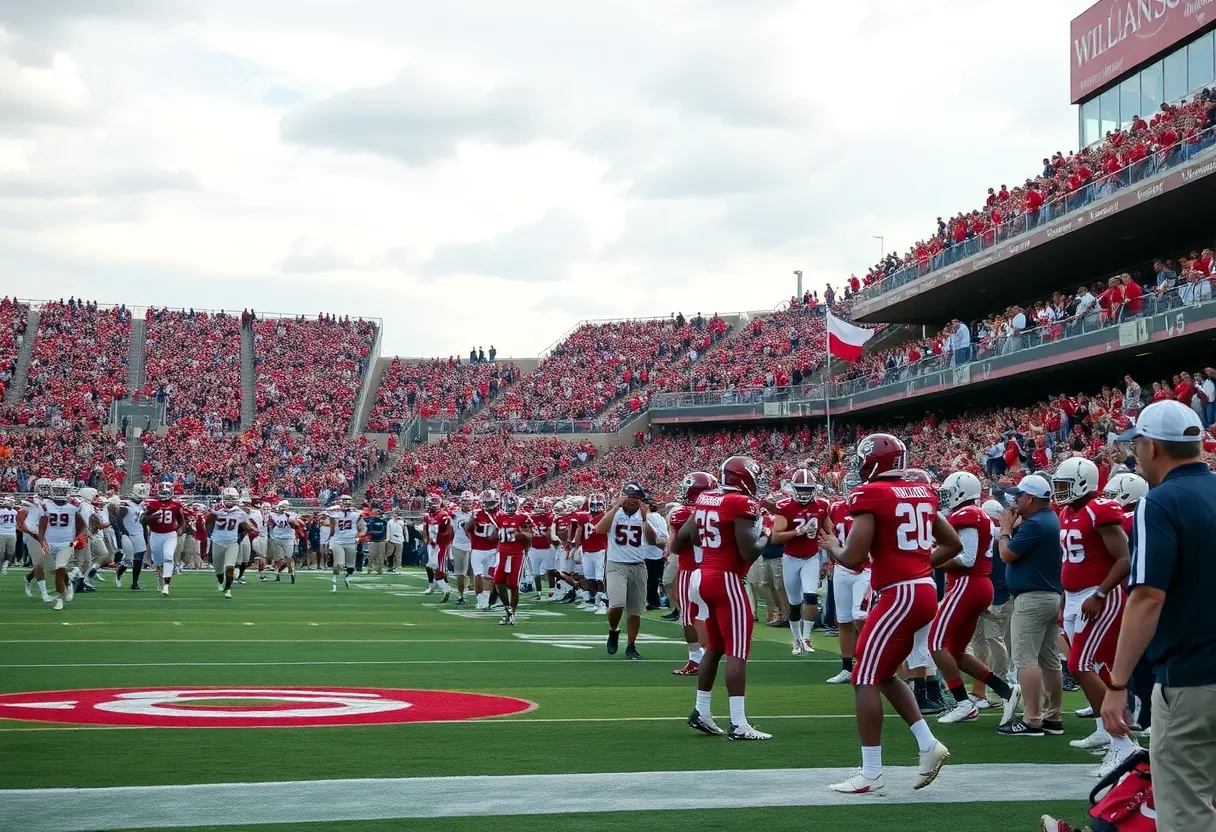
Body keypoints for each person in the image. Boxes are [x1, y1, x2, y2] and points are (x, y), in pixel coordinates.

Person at [819, 435, 958, 794]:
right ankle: (927, 746)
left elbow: (852, 557)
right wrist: (916, 568)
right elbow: (952, 544)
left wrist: (832, 545)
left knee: (863, 676)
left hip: (899, 594)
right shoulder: (921, 490)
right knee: (881, 675)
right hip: (922, 589)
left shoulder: (872, 494)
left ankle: (871, 773)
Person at [1102, 400, 1216, 831]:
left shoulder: (1160, 503)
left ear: (1150, 446)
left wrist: (1117, 684)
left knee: (1186, 812)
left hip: (1192, 680)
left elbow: (1148, 596)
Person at [1051, 457, 1137, 777]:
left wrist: (1099, 594)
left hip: (1099, 596)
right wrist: (1065, 601)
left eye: (1065, 485)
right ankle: (1107, 729)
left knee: (1078, 665)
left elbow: (1123, 559)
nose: (1060, 492)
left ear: (1084, 482)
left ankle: (1124, 746)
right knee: (1094, 665)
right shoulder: (1067, 511)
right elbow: (1069, 563)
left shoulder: (1099, 510)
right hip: (1076, 597)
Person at [677, 455, 772, 741]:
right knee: (737, 651)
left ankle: (701, 710)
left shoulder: (706, 497)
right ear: (744, 477)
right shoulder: (741, 503)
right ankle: (739, 722)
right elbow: (749, 552)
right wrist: (767, 532)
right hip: (728, 579)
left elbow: (687, 536)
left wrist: (716, 539)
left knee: (716, 647)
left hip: (704, 575)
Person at [928, 471, 1019, 725]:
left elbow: (966, 559)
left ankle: (963, 702)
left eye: (948, 492)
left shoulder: (968, 515)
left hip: (968, 584)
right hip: (976, 585)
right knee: (955, 651)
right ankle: (1006, 691)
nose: (945, 498)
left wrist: (930, 561)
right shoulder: (973, 514)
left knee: (935, 643)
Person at [996, 473, 1064, 737]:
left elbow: (1007, 554)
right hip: (1048, 595)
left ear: (1031, 498)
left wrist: (1005, 530)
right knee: (1049, 660)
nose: (1016, 500)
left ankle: (1032, 719)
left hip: (1032, 598)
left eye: (1021, 495)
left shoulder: (1036, 524)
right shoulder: (1048, 519)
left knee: (1026, 660)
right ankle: (1052, 717)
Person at [771, 468, 830, 655]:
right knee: (794, 602)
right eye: (800, 489)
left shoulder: (822, 505)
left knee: (811, 595)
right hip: (791, 558)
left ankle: (806, 636)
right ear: (794, 488)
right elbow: (776, 537)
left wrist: (829, 548)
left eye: (808, 489)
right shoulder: (784, 506)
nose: (804, 493)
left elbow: (829, 532)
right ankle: (796, 639)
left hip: (811, 557)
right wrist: (799, 531)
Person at [667, 473, 716, 675]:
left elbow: (674, 547)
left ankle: (697, 658)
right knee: (711, 614)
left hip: (691, 569)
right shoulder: (722, 510)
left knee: (689, 615)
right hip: (716, 569)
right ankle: (711, 654)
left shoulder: (680, 514)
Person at [597, 483, 652, 659]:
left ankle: (631, 646)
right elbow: (599, 529)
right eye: (628, 497)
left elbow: (653, 540)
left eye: (635, 497)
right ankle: (613, 630)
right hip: (617, 564)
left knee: (635, 611)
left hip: (638, 565)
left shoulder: (647, 515)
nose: (631, 501)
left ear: (640, 500)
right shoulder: (615, 513)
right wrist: (614, 507)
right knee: (617, 603)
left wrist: (645, 519)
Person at [825, 490, 865, 684]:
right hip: (841, 567)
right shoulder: (834, 508)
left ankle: (865, 663)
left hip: (866, 569)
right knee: (844, 620)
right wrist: (828, 557)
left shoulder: (871, 508)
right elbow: (828, 532)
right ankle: (847, 667)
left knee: (861, 617)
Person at [38, 479, 86, 612]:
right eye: (57, 489)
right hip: (50, 542)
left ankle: (60, 598)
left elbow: (82, 524)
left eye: (63, 490)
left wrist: (79, 537)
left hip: (67, 543)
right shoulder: (45, 504)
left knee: (60, 569)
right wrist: (42, 542)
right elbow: (42, 526)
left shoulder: (75, 504)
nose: (60, 492)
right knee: (54, 570)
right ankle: (69, 583)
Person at [490, 492, 531, 626]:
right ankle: (507, 608)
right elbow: (494, 534)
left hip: (517, 553)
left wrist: (521, 535)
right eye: (508, 503)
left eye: (513, 503)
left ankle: (513, 612)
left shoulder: (523, 517)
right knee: (498, 580)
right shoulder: (499, 516)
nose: (510, 506)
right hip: (502, 552)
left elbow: (530, 537)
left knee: (513, 584)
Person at [140, 481, 185, 596]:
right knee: (159, 562)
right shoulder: (151, 504)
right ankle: (161, 580)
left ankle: (166, 585)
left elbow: (181, 520)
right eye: (162, 491)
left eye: (166, 492)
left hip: (170, 534)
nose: (164, 494)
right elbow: (142, 520)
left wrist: (180, 529)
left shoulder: (176, 505)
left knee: (169, 556)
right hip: (155, 535)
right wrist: (152, 517)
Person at [209, 488, 250, 599]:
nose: (231, 500)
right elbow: (208, 522)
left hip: (232, 543)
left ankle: (228, 589)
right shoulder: (216, 509)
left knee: (229, 566)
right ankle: (221, 581)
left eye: (233, 498)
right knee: (218, 570)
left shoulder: (240, 512)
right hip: (217, 541)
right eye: (229, 498)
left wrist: (252, 530)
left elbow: (246, 526)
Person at [326, 495, 364, 593]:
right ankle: (334, 580)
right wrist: (330, 539)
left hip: (351, 541)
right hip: (338, 540)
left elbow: (362, 529)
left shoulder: (356, 514)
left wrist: (358, 536)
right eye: (344, 501)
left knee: (351, 567)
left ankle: (346, 577)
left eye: (348, 501)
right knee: (338, 563)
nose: (346, 503)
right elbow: (332, 528)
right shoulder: (334, 513)